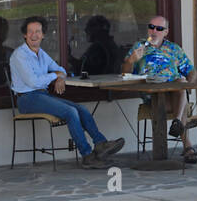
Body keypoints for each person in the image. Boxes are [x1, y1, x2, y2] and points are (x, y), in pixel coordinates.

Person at [9, 16, 124, 167]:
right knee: (70, 112)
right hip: (27, 99)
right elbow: (33, 82)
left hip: (41, 95)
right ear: (25, 35)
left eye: (38, 31)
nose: (34, 35)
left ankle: (100, 144)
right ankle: (87, 156)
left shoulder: (41, 53)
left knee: (81, 109)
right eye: (30, 31)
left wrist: (60, 77)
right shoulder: (20, 55)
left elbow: (61, 70)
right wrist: (54, 76)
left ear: (43, 35)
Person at [123, 15, 197, 162]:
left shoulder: (174, 49)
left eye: (159, 28)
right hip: (153, 97)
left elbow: (191, 71)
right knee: (181, 100)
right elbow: (124, 73)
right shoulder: (139, 47)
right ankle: (186, 143)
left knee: (180, 82)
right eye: (151, 27)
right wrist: (131, 61)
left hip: (175, 93)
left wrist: (188, 86)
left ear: (166, 32)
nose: (154, 31)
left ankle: (178, 125)